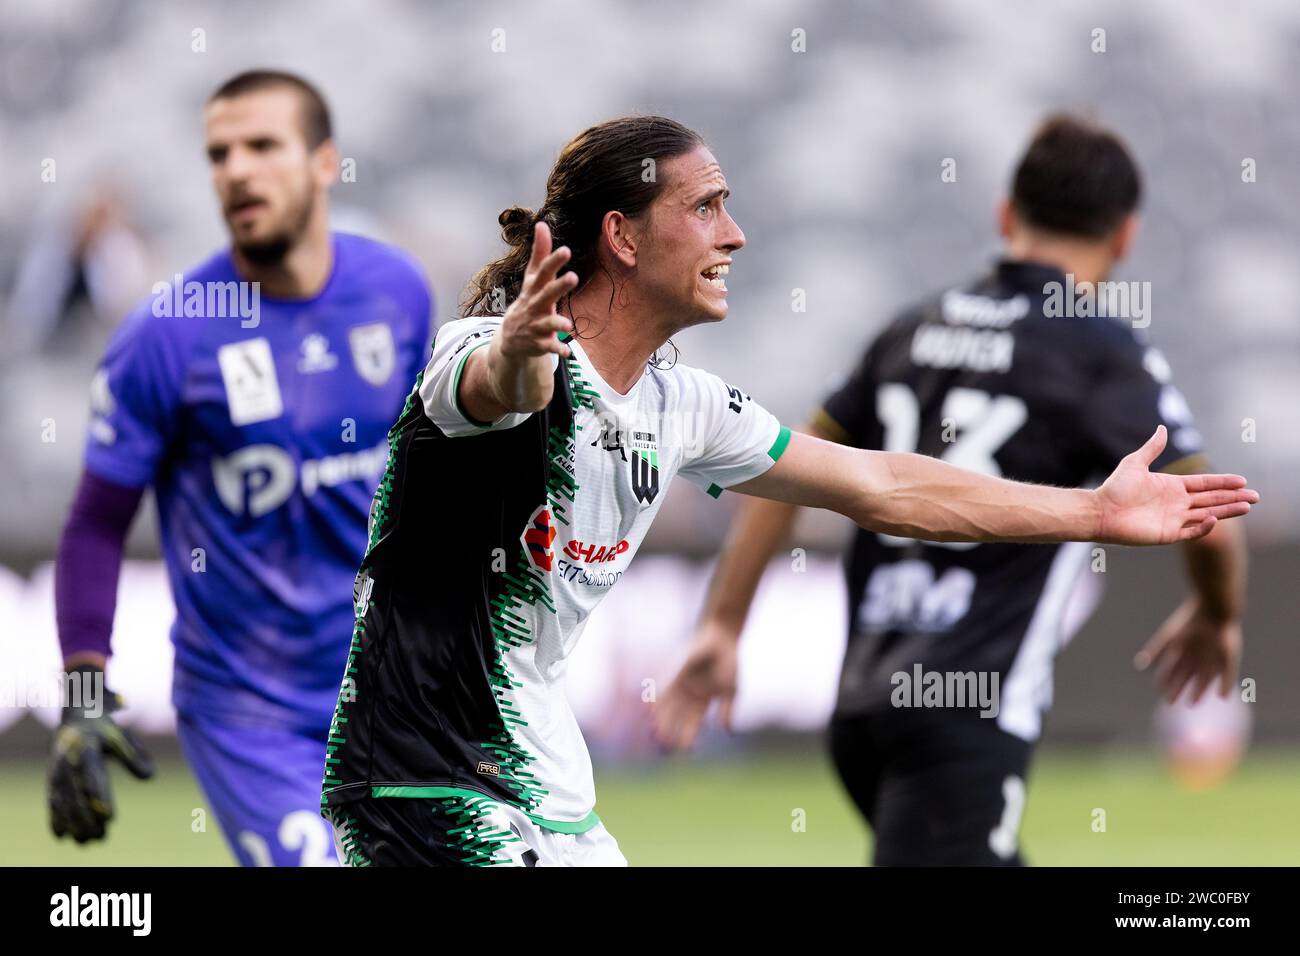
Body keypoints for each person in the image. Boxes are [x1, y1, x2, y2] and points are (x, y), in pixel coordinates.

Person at [320, 115, 1255, 867]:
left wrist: (1093, 512)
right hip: (423, 783)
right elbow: (503, 390)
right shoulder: (476, 356)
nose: (735, 233)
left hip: (543, 788)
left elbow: (882, 484)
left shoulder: (683, 405)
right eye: (707, 207)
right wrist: (521, 354)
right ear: (623, 237)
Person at [653, 114, 1249, 866]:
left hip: (864, 706)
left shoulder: (910, 329)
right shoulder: (1103, 350)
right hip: (967, 714)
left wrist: (722, 625)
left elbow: (778, 474)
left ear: (1006, 216)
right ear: (1125, 236)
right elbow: (1212, 518)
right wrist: (1217, 615)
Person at [47, 70, 433, 866]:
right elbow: (94, 525)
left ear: (325, 162)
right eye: (220, 153)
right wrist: (84, 691)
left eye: (263, 145)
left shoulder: (396, 293)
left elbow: (427, 475)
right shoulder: (168, 336)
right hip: (251, 713)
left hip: (395, 694)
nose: (237, 170)